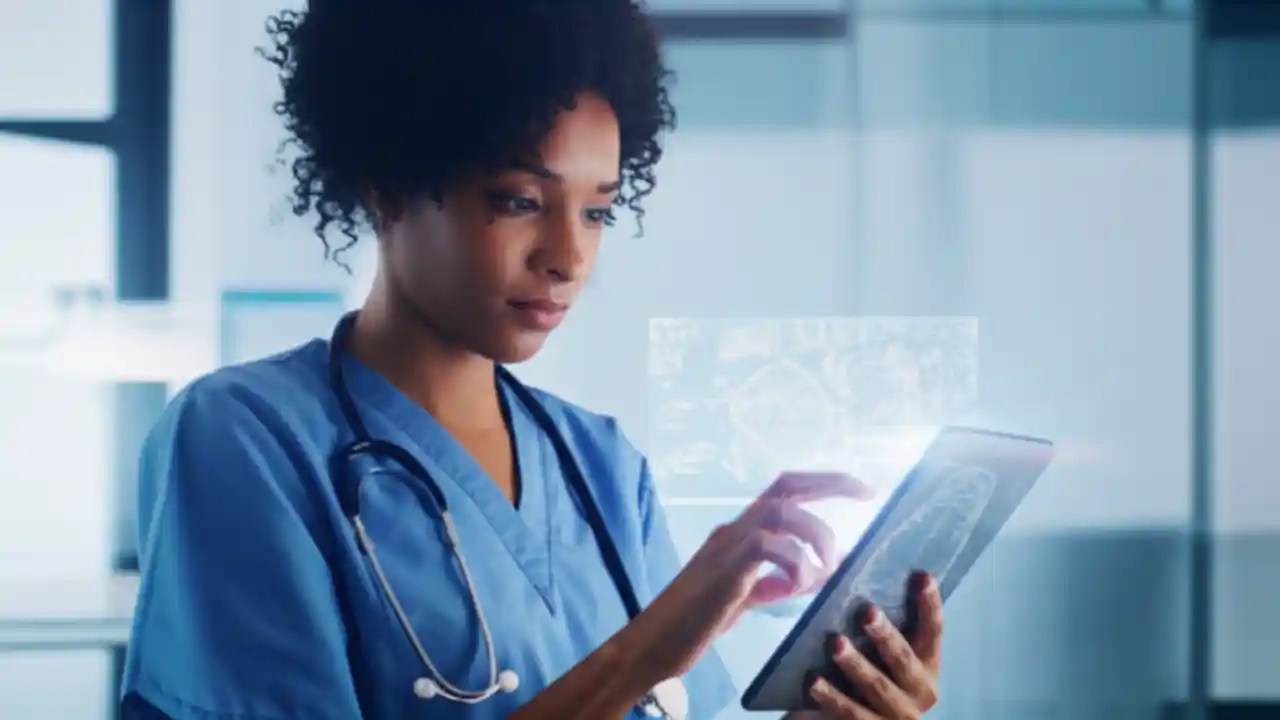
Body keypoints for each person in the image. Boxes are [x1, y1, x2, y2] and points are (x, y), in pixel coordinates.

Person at [120, 2, 944, 718]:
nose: (567, 257)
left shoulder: (602, 467)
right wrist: (644, 651)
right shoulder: (246, 440)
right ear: (386, 182)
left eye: (595, 212)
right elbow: (641, 671)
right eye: (518, 202)